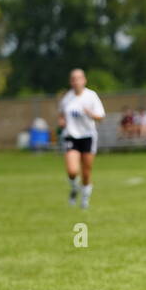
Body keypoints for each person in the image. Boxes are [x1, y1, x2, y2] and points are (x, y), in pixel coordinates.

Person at [57, 68, 104, 209]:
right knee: (72, 170)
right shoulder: (67, 98)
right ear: (71, 82)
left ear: (84, 80)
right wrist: (61, 121)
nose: (76, 81)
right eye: (73, 79)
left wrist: (90, 114)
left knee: (86, 171)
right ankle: (74, 188)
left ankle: (84, 200)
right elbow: (61, 114)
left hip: (88, 136)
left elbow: (101, 117)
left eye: (79, 78)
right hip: (71, 136)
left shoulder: (91, 96)